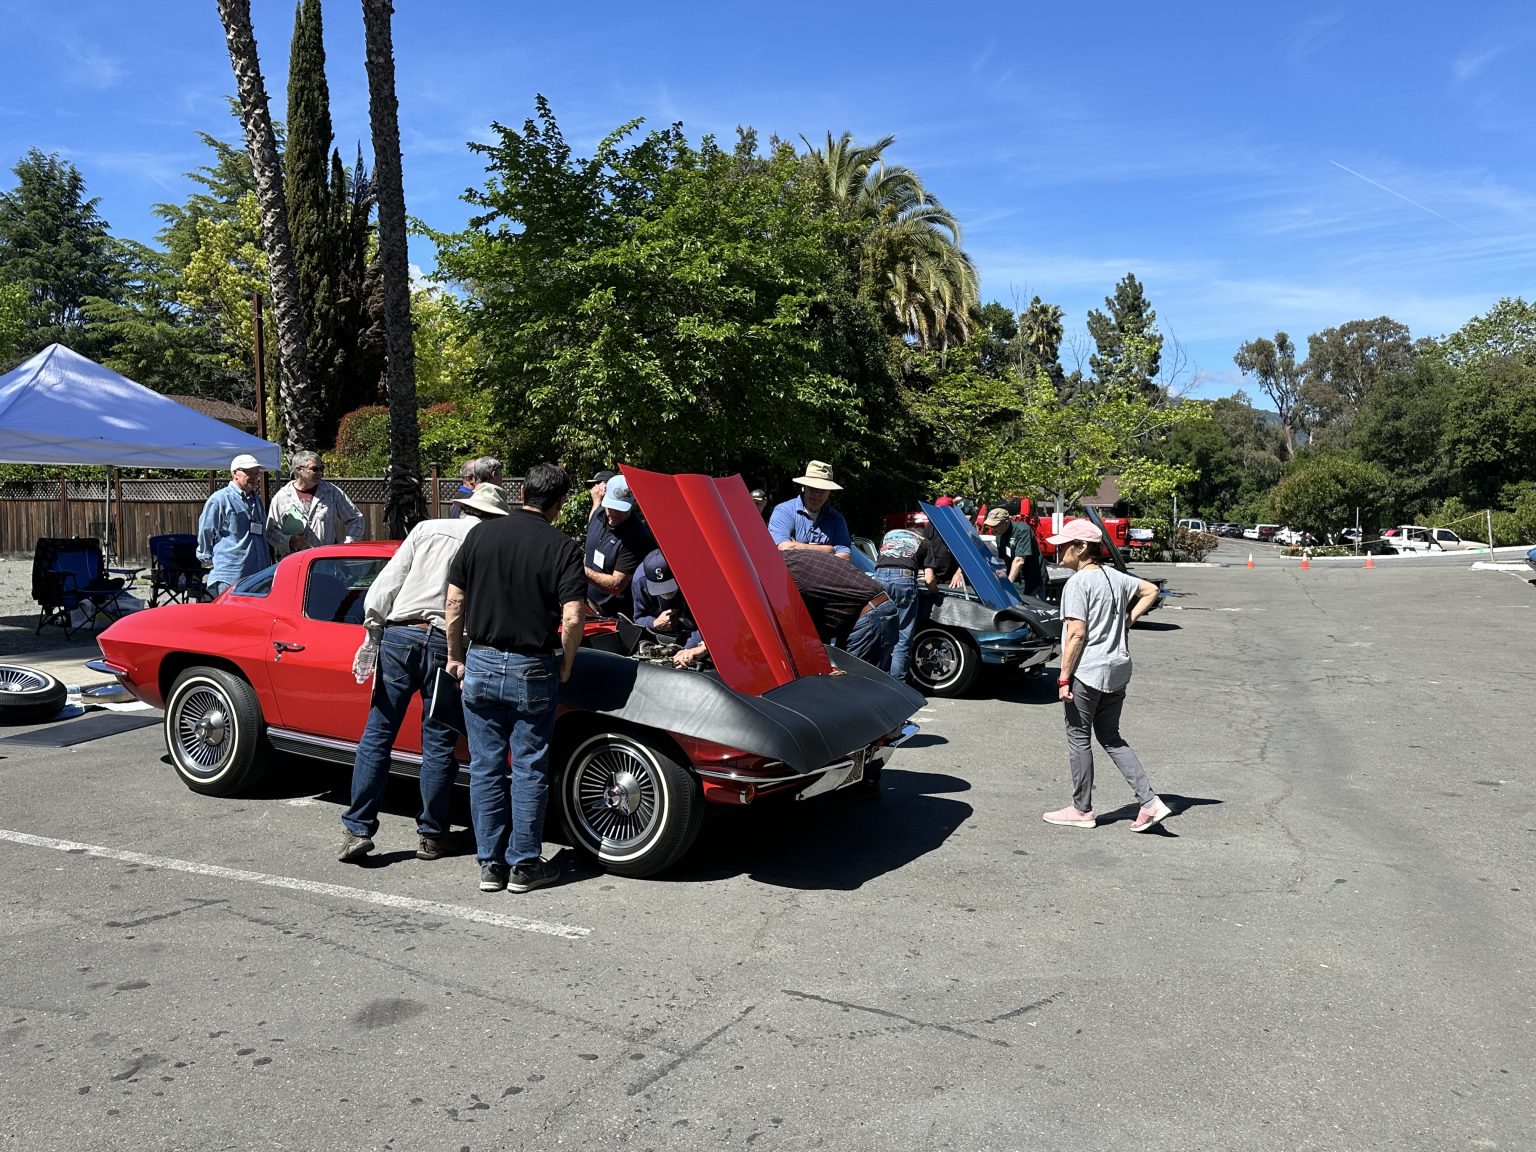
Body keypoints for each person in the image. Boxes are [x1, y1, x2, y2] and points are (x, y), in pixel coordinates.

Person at [337, 482, 510, 864]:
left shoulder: (426, 529)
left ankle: (357, 828)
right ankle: (432, 834)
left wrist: (373, 628)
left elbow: (386, 584)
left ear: (465, 509)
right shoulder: (490, 543)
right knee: (438, 741)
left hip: (400, 633)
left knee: (379, 732)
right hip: (446, 643)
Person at [445, 462, 586, 894]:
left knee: (486, 767)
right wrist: (567, 661)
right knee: (529, 767)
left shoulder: (479, 535)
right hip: (531, 664)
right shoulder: (563, 547)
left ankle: (490, 865)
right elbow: (574, 614)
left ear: (521, 491)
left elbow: (453, 603)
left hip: (482, 660)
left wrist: (455, 656)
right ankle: (523, 864)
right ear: (559, 504)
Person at [1042, 519, 1172, 833]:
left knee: (1078, 738)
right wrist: (1128, 619)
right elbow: (1151, 590)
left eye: (1065, 544)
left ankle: (1081, 809)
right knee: (1111, 737)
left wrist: (1062, 677)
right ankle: (1150, 802)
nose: (1058, 549)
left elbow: (1076, 634)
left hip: (1088, 671)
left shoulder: (1077, 584)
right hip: (1118, 669)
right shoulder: (1117, 577)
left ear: (1082, 547)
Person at [782, 547, 898, 671]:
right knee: (861, 681)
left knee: (855, 683)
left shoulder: (786, 572)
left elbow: (799, 622)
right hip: (872, 609)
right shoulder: (794, 557)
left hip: (869, 615)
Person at [197, 453, 271, 598]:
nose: (254, 477)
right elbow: (206, 531)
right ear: (235, 473)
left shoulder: (257, 501)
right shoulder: (220, 499)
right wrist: (208, 559)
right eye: (249, 472)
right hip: (230, 576)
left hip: (258, 577)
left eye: (256, 473)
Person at [265, 450, 365, 557]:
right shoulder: (282, 496)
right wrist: (289, 541)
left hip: (325, 562)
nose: (319, 473)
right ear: (299, 470)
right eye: (314, 469)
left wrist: (347, 544)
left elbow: (356, 519)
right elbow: (270, 531)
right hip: (294, 562)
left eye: (321, 469)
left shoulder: (331, 492)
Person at [584, 474, 654, 617]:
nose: (614, 513)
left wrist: (580, 571)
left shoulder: (637, 537)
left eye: (620, 509)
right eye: (611, 507)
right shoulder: (600, 513)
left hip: (610, 615)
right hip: (585, 600)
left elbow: (616, 585)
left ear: (632, 504)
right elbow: (590, 542)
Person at [872, 524, 936, 682]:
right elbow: (929, 579)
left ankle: (878, 680)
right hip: (904, 580)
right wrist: (935, 592)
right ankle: (897, 685)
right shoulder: (924, 542)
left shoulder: (889, 534)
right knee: (902, 637)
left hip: (878, 579)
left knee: (882, 634)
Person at [630, 549, 707, 667]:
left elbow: (707, 622)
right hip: (663, 640)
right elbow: (638, 618)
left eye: (669, 587)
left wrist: (688, 650)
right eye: (660, 588)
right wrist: (654, 623)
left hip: (694, 639)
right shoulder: (640, 581)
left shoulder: (695, 578)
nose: (667, 593)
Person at [767, 460, 851, 558]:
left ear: (829, 492)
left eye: (823, 489)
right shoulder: (784, 511)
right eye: (813, 488)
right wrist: (828, 550)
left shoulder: (836, 519)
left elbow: (845, 556)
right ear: (804, 487)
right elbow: (783, 548)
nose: (817, 494)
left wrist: (796, 546)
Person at [1009, 506, 1046, 597]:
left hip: (1033, 582)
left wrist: (1008, 583)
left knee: (1036, 609)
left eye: (997, 525)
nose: (994, 529)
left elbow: (1019, 560)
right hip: (1018, 583)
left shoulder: (1022, 530)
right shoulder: (1000, 535)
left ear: (1006, 521)